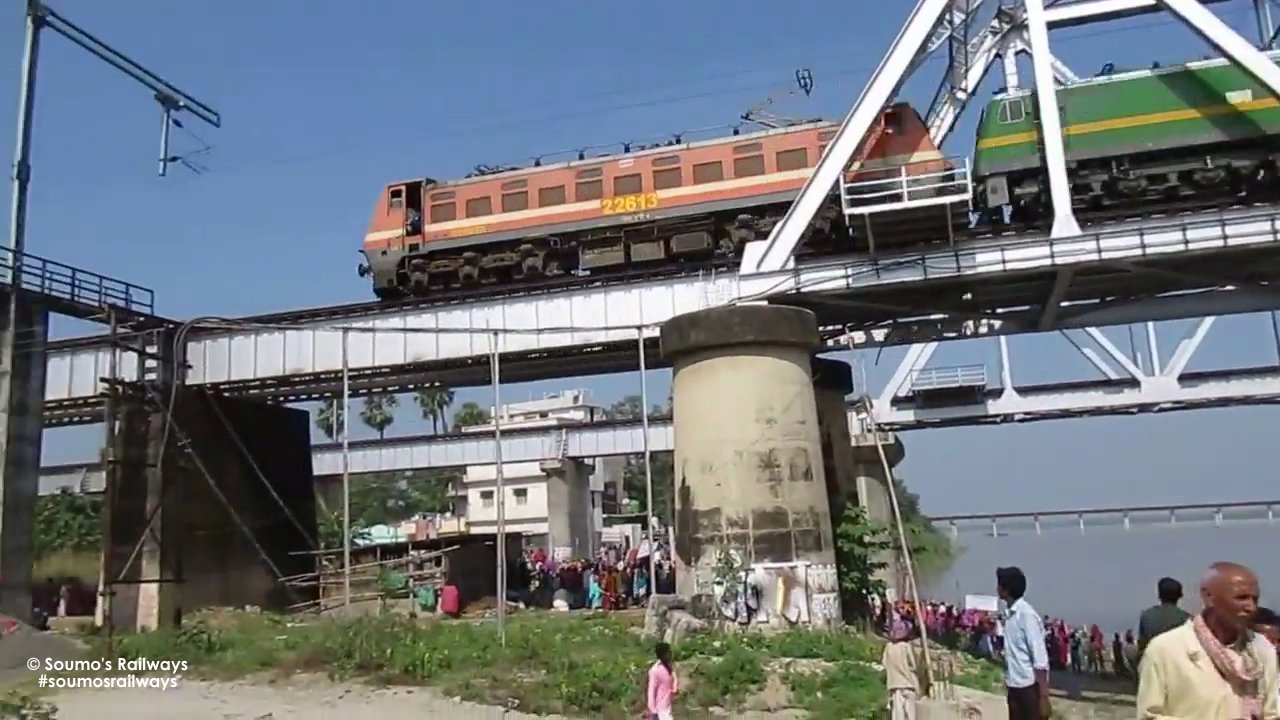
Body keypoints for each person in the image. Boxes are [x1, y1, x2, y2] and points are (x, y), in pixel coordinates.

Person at [1137, 561, 1279, 719]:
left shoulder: (1262, 650)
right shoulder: (1165, 650)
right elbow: (1148, 716)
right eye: (1241, 598)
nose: (1251, 607)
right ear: (1209, 597)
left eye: (1255, 599)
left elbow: (1272, 713)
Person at [996, 566, 1051, 719]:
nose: (997, 588)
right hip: (1013, 686)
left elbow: (1039, 658)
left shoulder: (1026, 616)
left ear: (1006, 590)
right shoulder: (1008, 615)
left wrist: (1043, 697)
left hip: (1029, 689)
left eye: (999, 585)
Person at [1138, 577, 1192, 662]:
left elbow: (1141, 647)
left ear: (1159, 595)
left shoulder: (1146, 616)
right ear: (1179, 596)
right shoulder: (1187, 619)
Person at [882, 619, 923, 720]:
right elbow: (913, 665)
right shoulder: (906, 646)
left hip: (895, 685)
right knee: (911, 714)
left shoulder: (888, 647)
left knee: (897, 714)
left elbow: (884, 664)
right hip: (908, 684)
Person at [647, 641, 678, 720]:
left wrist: (675, 689)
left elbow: (673, 680)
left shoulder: (669, 667)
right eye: (669, 652)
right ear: (663, 654)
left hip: (668, 707)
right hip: (661, 710)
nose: (671, 654)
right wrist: (653, 712)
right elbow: (651, 691)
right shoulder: (655, 670)